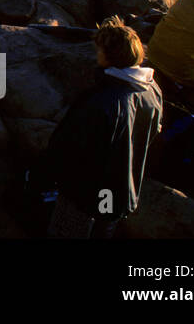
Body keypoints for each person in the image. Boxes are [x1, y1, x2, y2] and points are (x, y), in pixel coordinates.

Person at [44, 16, 163, 239]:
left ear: (108, 57)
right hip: (123, 192)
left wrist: (46, 176)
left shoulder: (103, 100)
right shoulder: (152, 90)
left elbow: (68, 146)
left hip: (84, 194)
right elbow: (153, 132)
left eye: (99, 50)